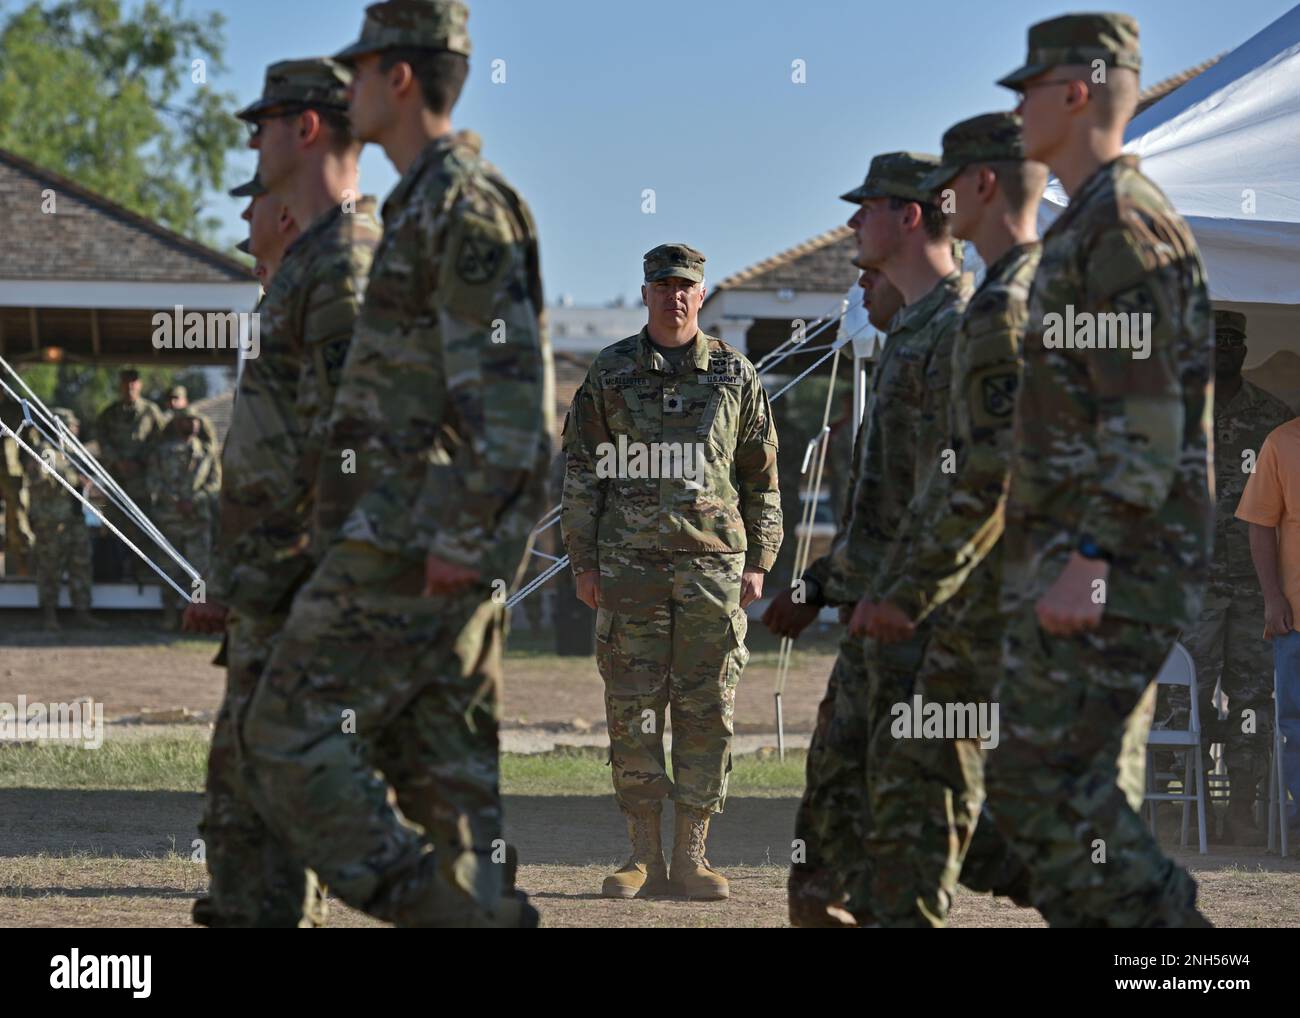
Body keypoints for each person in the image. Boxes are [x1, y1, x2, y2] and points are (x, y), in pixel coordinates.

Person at [241, 0, 553, 928]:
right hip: (411, 534)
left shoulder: (462, 204)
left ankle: (437, 910)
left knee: (286, 728)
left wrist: (468, 537)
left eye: (363, 69)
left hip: (417, 538)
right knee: (449, 781)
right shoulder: (425, 202)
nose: (351, 88)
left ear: (401, 78)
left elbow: (510, 395)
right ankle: (479, 911)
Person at [987, 12, 1213, 926]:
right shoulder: (1084, 226)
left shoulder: (1122, 225)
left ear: (1074, 92)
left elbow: (1150, 418)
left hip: (1120, 563)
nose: (1014, 111)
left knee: (1050, 788)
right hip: (1083, 557)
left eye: (1026, 90)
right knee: (1037, 792)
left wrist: (1091, 558)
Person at [187, 56, 376, 927]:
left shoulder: (342, 270)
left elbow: (354, 455)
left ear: (305, 129)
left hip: (308, 606)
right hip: (279, 598)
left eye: (259, 125)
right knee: (248, 833)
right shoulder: (310, 272)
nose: (251, 144)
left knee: (269, 842)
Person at [860, 112, 1044, 925]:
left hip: (976, 606)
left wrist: (909, 592)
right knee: (919, 803)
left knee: (934, 806)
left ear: (976, 185)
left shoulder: (994, 314)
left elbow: (982, 479)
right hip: (943, 601)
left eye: (867, 207)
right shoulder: (973, 312)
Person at [563, 242, 782, 902]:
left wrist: (762, 561)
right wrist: (583, 559)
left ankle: (692, 855)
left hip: (713, 571)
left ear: (702, 293)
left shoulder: (735, 375)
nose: (674, 295)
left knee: (706, 708)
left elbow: (761, 478)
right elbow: (581, 470)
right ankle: (640, 857)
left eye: (685, 285)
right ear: (646, 292)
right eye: (662, 284)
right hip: (629, 569)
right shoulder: (611, 373)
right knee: (633, 711)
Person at [837, 151, 969, 922]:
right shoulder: (908, 333)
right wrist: (832, 585)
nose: (853, 222)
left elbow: (969, 491)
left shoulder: (960, 330)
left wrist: (907, 596)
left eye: (868, 206)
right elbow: (887, 496)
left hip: (937, 628)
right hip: (887, 622)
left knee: (924, 834)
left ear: (911, 215)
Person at [766, 262, 902, 926]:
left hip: (918, 631)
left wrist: (814, 586)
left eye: (872, 271)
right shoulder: (896, 367)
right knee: (833, 794)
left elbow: (908, 522)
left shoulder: (947, 356)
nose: (860, 281)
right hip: (868, 625)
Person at [1161, 310, 1293, 844]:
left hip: (1256, 587)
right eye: (1212, 341)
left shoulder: (1274, 419)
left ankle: (1241, 811)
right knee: (1180, 698)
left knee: (1252, 702)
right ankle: (1174, 813)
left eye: (1233, 342)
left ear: (1244, 349)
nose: (1223, 350)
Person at [1235, 413, 1300, 837]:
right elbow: (1260, 525)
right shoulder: (1281, 441)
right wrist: (1273, 597)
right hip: (1296, 616)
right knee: (1296, 723)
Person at [25, 408, 102, 630]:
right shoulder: (46, 450)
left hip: (75, 520)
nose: (75, 430)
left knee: (81, 565)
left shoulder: (75, 452)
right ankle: (50, 615)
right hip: (52, 522)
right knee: (50, 568)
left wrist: (85, 481)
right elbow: (43, 476)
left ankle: (82, 611)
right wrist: (72, 477)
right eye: (71, 426)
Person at [148, 411, 220, 630]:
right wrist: (175, 501)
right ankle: (169, 615)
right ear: (178, 424)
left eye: (197, 420)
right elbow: (153, 482)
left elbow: (215, 484)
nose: (194, 424)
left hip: (197, 521)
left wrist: (194, 501)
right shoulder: (161, 452)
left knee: (199, 574)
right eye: (188, 420)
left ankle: (198, 615)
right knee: (168, 570)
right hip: (170, 520)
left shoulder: (207, 453)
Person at [95, 368, 166, 581]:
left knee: (143, 528)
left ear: (140, 385)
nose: (130, 388)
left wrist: (140, 461)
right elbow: (102, 440)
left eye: (134, 384)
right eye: (126, 383)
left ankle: (144, 574)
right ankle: (115, 574)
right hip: (116, 481)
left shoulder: (151, 411)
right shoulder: (108, 413)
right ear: (120, 386)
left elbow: (159, 440)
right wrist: (118, 461)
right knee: (114, 529)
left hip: (143, 483)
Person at [163, 386, 218, 452]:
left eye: (176, 398)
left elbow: (212, 448)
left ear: (185, 400)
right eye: (169, 399)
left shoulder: (199, 421)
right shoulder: (169, 425)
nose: (172, 403)